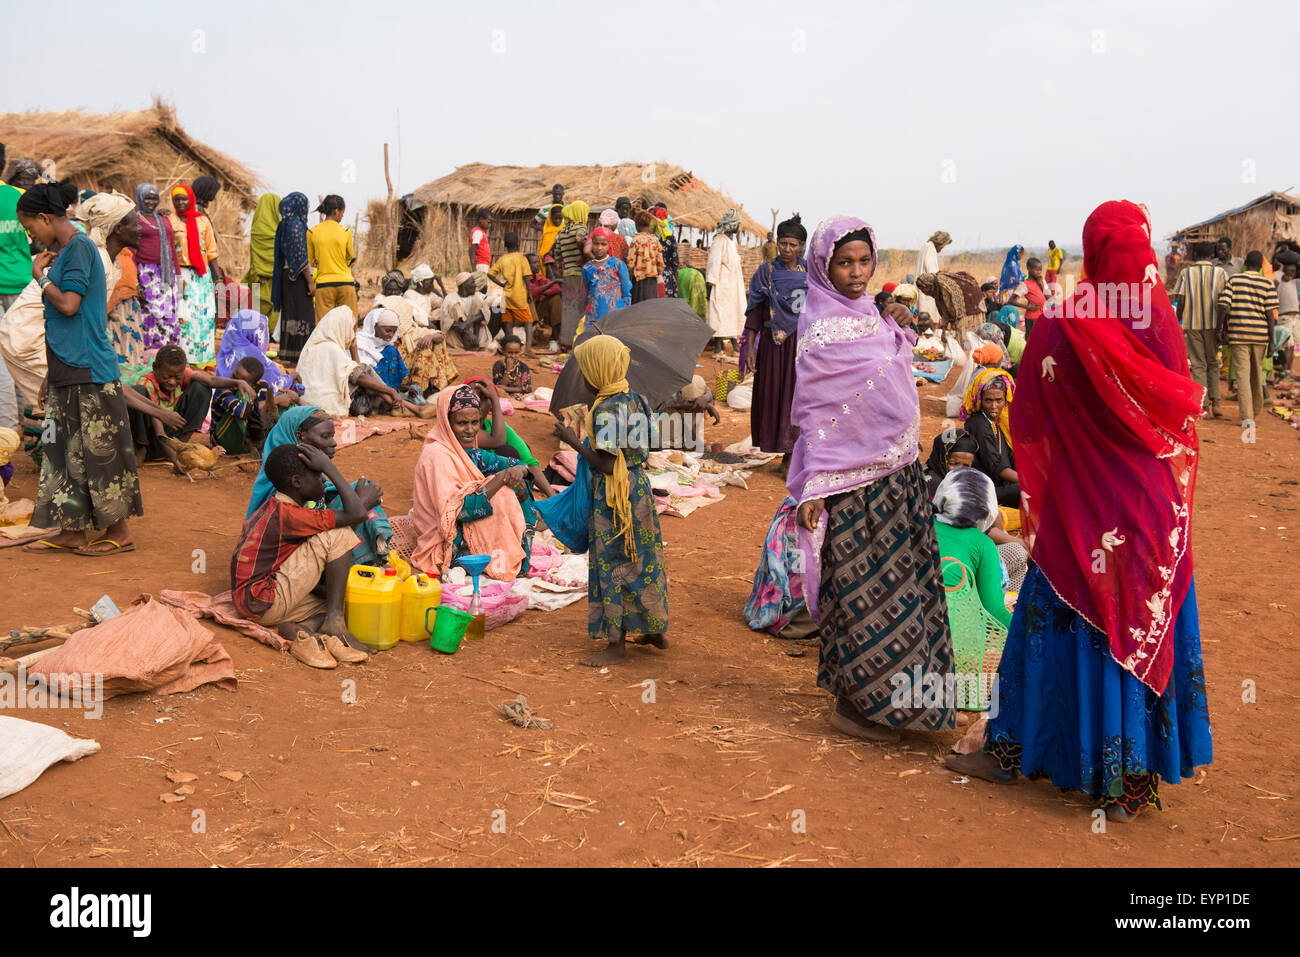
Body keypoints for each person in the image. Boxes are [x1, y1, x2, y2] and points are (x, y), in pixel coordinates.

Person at [948, 199, 1212, 821]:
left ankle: (1014, 750)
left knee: (1056, 617)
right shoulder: (1160, 322)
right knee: (1141, 624)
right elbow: (1179, 418)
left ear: (1091, 253)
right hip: (1152, 510)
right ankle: (1128, 784)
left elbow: (1031, 415)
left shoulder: (1067, 320)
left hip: (1081, 510)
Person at [788, 215, 953, 743]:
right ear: (823, 265)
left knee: (903, 586)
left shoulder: (872, 315)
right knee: (863, 591)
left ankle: (909, 703)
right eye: (844, 262)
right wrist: (814, 483)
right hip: (853, 488)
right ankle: (859, 709)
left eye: (864, 261)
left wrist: (895, 325)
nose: (856, 273)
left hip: (899, 479)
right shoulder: (818, 331)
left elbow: (892, 371)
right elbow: (817, 414)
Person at [17, 181, 143, 556]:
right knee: (61, 450)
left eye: (30, 228)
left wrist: (40, 277)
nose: (32, 236)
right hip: (67, 367)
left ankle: (118, 532)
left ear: (44, 218)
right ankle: (72, 530)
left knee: (98, 451)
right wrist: (48, 375)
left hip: (89, 367)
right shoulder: (70, 250)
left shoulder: (79, 248)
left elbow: (69, 305)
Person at [552, 335, 669, 666]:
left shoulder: (605, 409)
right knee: (644, 559)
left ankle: (616, 645)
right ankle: (656, 628)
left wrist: (572, 440)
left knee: (613, 563)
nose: (585, 378)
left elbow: (604, 463)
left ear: (600, 370)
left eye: (588, 371)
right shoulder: (634, 399)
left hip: (614, 496)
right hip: (639, 488)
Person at [231, 443, 377, 668]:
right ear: (297, 483)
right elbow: (356, 514)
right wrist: (330, 467)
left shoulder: (280, 507)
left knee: (330, 600)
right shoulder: (289, 515)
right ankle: (335, 624)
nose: (324, 481)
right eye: (318, 475)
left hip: (253, 602)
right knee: (338, 535)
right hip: (264, 601)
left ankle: (302, 628)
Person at [411, 384, 537, 580]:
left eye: (475, 422)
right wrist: (502, 478)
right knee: (502, 492)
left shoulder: (469, 453)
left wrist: (518, 471)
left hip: (467, 526)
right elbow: (458, 512)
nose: (470, 430)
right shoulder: (437, 456)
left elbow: (518, 464)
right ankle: (500, 557)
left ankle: (510, 556)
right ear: (446, 421)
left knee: (515, 483)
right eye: (462, 423)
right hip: (443, 539)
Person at [246, 404, 393, 565]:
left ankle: (373, 557)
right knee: (353, 512)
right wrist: (362, 503)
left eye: (332, 435)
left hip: (309, 544)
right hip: (290, 565)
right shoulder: (283, 483)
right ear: (300, 436)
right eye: (325, 436)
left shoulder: (307, 475)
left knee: (357, 491)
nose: (333, 443)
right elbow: (312, 536)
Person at [127, 343, 252, 470]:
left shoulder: (178, 373)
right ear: (154, 368)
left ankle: (182, 446)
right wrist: (175, 460)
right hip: (152, 437)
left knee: (202, 388)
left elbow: (210, 381)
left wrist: (237, 382)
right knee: (138, 391)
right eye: (166, 377)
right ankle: (140, 450)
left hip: (172, 437)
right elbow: (158, 426)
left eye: (177, 377)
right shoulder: (147, 383)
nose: (172, 381)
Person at [743, 213, 807, 457]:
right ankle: (777, 446)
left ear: (801, 246)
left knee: (796, 396)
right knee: (771, 395)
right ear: (777, 243)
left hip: (800, 344)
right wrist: (750, 348)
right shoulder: (765, 272)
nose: (787, 249)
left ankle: (793, 453)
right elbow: (755, 311)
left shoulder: (810, 272)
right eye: (783, 243)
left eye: (793, 244)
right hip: (772, 342)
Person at [931, 467, 1012, 630]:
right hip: (960, 638)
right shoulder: (981, 543)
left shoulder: (919, 524)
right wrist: (1032, 636)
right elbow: (994, 613)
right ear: (988, 507)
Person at [297, 306, 416, 417]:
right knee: (365, 371)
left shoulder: (318, 344)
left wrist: (353, 348)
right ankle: (403, 406)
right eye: (352, 329)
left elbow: (355, 371)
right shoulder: (331, 348)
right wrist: (390, 391)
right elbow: (358, 376)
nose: (354, 333)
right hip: (323, 404)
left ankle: (400, 406)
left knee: (363, 370)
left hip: (312, 399)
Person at [81, 192, 146, 367]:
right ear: (118, 228)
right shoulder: (98, 261)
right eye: (136, 224)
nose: (140, 229)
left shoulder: (113, 260)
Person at [1217, 250, 1277, 430]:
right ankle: (1256, 409)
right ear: (1260, 266)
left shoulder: (1235, 280)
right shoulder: (1267, 283)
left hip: (1239, 334)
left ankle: (1247, 416)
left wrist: (1221, 330)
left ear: (1245, 264)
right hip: (1260, 336)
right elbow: (1270, 315)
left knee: (1242, 374)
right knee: (1256, 373)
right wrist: (1272, 341)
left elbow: (1223, 305)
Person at [1170, 241, 1228, 417]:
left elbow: (1180, 300)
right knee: (1212, 363)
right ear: (1212, 255)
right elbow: (1225, 302)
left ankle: (1203, 404)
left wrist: (1177, 321)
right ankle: (1216, 402)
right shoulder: (1220, 273)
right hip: (1214, 325)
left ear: (1196, 255)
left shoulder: (1186, 273)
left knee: (1198, 365)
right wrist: (1223, 327)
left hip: (1193, 325)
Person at [169, 184, 220, 364]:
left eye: (184, 199)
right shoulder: (170, 221)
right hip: (180, 275)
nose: (181, 202)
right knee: (183, 317)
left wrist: (218, 279)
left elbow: (212, 252)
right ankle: (182, 360)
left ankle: (202, 359)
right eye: (177, 199)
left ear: (190, 199)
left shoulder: (203, 221)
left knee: (204, 317)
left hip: (202, 276)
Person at [131, 183, 181, 352]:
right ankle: (151, 353)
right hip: (146, 272)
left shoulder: (163, 219)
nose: (151, 202)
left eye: (154, 198)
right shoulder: (134, 219)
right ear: (139, 198)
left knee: (168, 313)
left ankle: (168, 351)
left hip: (166, 272)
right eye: (147, 198)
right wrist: (134, 280)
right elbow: (130, 249)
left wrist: (178, 274)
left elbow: (171, 247)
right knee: (151, 313)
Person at [959, 367, 1018, 507]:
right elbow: (997, 467)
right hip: (985, 490)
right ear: (979, 400)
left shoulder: (996, 423)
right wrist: (1029, 482)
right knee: (1025, 490)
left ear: (1006, 400)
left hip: (997, 484)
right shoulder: (979, 425)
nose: (994, 406)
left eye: (999, 400)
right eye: (988, 400)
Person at [272, 192, 315, 362]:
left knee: (290, 315)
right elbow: (299, 257)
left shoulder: (284, 224)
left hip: (285, 277)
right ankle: (301, 354)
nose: (308, 209)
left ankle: (289, 353)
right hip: (296, 278)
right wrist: (310, 281)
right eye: (307, 206)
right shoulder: (296, 226)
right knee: (304, 316)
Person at [211, 356, 281, 455]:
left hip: (246, 439)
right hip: (224, 441)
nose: (237, 382)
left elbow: (266, 409)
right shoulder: (222, 388)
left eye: (243, 381)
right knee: (244, 396)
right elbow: (241, 412)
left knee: (279, 401)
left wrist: (279, 398)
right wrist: (276, 400)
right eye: (234, 376)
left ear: (254, 384)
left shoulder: (261, 386)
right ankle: (257, 445)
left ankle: (272, 443)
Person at [308, 195, 357, 320]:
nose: (342, 216)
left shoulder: (312, 232)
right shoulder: (346, 232)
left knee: (323, 327)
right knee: (349, 324)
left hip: (324, 285)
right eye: (342, 212)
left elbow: (312, 262)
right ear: (336, 211)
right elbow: (349, 258)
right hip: (345, 283)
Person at [706, 208, 746, 355]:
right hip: (722, 285)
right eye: (737, 224)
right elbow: (713, 262)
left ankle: (734, 345)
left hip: (733, 286)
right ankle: (718, 348)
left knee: (733, 313)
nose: (738, 226)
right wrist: (711, 282)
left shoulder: (730, 242)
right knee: (720, 315)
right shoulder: (720, 240)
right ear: (731, 224)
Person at [242, 193, 281, 333]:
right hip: (276, 280)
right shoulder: (280, 231)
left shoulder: (256, 230)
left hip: (259, 278)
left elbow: (254, 257)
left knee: (257, 311)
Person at [552, 201, 590, 347]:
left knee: (568, 309)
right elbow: (580, 239)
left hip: (567, 274)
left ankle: (565, 341)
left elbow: (557, 255)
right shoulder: (581, 227)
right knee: (581, 309)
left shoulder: (562, 231)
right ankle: (577, 342)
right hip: (580, 274)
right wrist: (584, 256)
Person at [581, 229, 631, 330]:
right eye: (596, 244)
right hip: (594, 315)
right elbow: (586, 291)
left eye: (603, 244)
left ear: (609, 245)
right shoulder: (587, 268)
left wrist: (626, 311)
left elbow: (626, 289)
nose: (599, 248)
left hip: (615, 314)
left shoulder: (618, 264)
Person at [489, 232, 533, 343]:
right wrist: (530, 293)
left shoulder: (502, 259)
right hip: (519, 296)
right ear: (518, 243)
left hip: (506, 296)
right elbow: (526, 277)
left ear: (505, 245)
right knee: (528, 321)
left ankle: (510, 344)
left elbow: (490, 274)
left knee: (508, 322)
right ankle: (528, 348)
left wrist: (502, 284)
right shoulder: (522, 258)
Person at [355, 307, 408, 392]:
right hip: (365, 388)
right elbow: (358, 371)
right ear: (375, 326)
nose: (391, 335)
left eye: (394, 332)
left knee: (391, 350)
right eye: (388, 331)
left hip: (387, 392)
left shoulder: (389, 348)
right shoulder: (359, 342)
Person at [440, 273, 495, 350]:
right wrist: (466, 332)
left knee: (479, 302)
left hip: (475, 334)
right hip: (457, 337)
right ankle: (469, 342)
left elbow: (485, 312)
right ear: (464, 286)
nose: (475, 285)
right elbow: (447, 322)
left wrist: (467, 323)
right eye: (472, 282)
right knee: (454, 305)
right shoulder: (450, 298)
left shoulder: (477, 296)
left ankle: (475, 342)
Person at [526, 253, 561, 352]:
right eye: (534, 263)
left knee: (555, 298)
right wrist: (543, 289)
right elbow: (531, 293)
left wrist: (544, 292)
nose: (538, 265)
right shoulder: (523, 278)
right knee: (529, 300)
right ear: (527, 265)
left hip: (537, 312)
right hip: (523, 317)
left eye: (538, 262)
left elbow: (557, 289)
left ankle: (554, 338)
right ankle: (528, 334)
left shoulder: (539, 277)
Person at [627, 210, 664, 303]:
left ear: (637, 225)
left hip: (638, 279)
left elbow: (630, 263)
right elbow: (660, 264)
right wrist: (657, 272)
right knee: (650, 307)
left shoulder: (635, 240)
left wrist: (630, 274)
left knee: (638, 307)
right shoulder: (656, 241)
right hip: (652, 280)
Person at [914, 230, 951, 319]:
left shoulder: (926, 246)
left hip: (921, 282)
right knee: (927, 313)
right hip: (927, 284)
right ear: (941, 242)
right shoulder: (930, 248)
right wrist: (940, 275)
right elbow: (931, 268)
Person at [1008, 256, 1047, 334]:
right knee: (1031, 338)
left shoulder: (1041, 281)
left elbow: (1047, 296)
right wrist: (1027, 307)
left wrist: (1041, 284)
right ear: (1029, 269)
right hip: (1032, 317)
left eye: (1040, 270)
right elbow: (1011, 300)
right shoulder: (1025, 284)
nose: (1039, 272)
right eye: (1037, 270)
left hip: (1041, 315)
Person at [1276, 262, 1299, 379]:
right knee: (1286, 346)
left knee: (1293, 345)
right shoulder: (1279, 283)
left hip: (1295, 318)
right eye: (1288, 271)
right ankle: (1285, 371)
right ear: (1284, 271)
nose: (1290, 274)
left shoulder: (1295, 283)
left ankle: (1288, 371)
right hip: (1284, 317)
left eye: (1293, 271)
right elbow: (1276, 276)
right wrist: (1280, 268)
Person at [531, 184, 565, 252]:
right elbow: (532, 224)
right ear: (552, 194)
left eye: (559, 194)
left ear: (563, 194)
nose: (557, 196)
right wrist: (545, 230)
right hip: (548, 244)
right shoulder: (545, 209)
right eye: (555, 194)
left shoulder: (568, 209)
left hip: (563, 243)